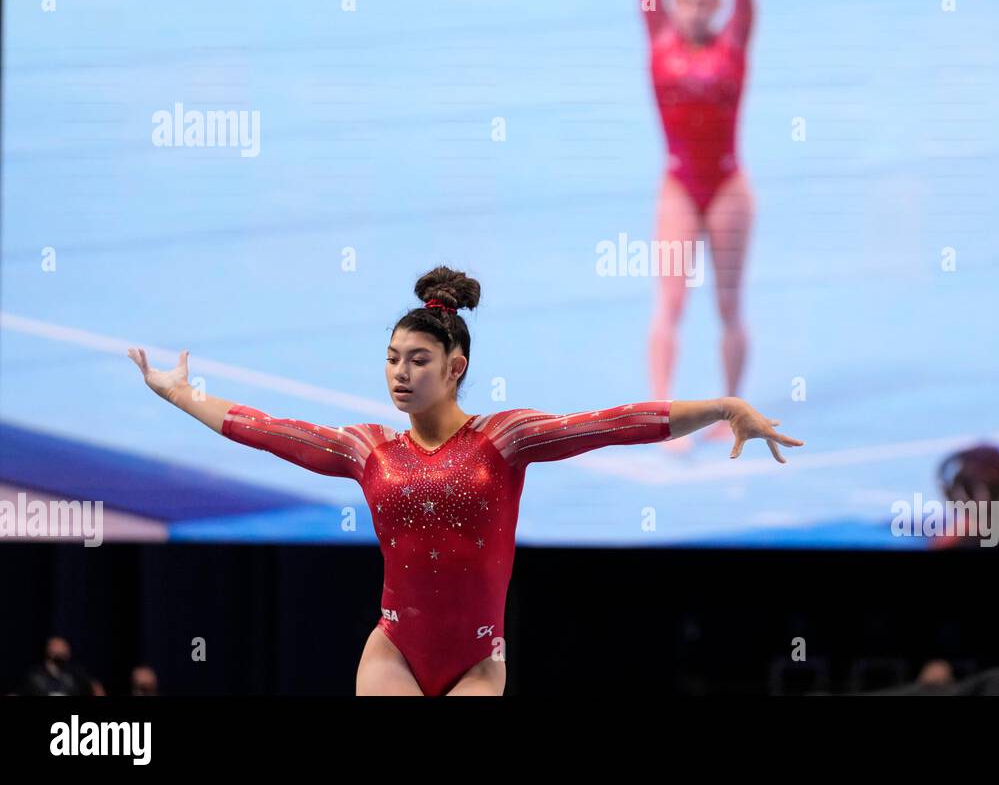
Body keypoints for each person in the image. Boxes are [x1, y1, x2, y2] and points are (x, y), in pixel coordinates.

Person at [128, 266, 801, 696]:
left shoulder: (503, 441)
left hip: (480, 663)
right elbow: (267, 428)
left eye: (417, 359)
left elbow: (615, 422)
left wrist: (723, 407)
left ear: (455, 367)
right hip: (393, 650)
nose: (399, 372)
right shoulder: (368, 449)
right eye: (391, 358)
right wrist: (182, 396)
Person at [640, 0, 776, 443]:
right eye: (685, 1)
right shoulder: (658, 38)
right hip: (679, 184)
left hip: (727, 187)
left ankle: (731, 416)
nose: (694, 10)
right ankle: (654, 414)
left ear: (715, 4)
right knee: (670, 300)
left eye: (704, 2)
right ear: (673, 2)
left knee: (727, 303)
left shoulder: (733, 44)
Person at [21, 636, 98, 696]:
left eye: (65, 648)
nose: (63, 651)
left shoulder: (76, 672)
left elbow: (96, 688)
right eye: (58, 647)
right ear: (48, 650)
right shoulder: (34, 674)